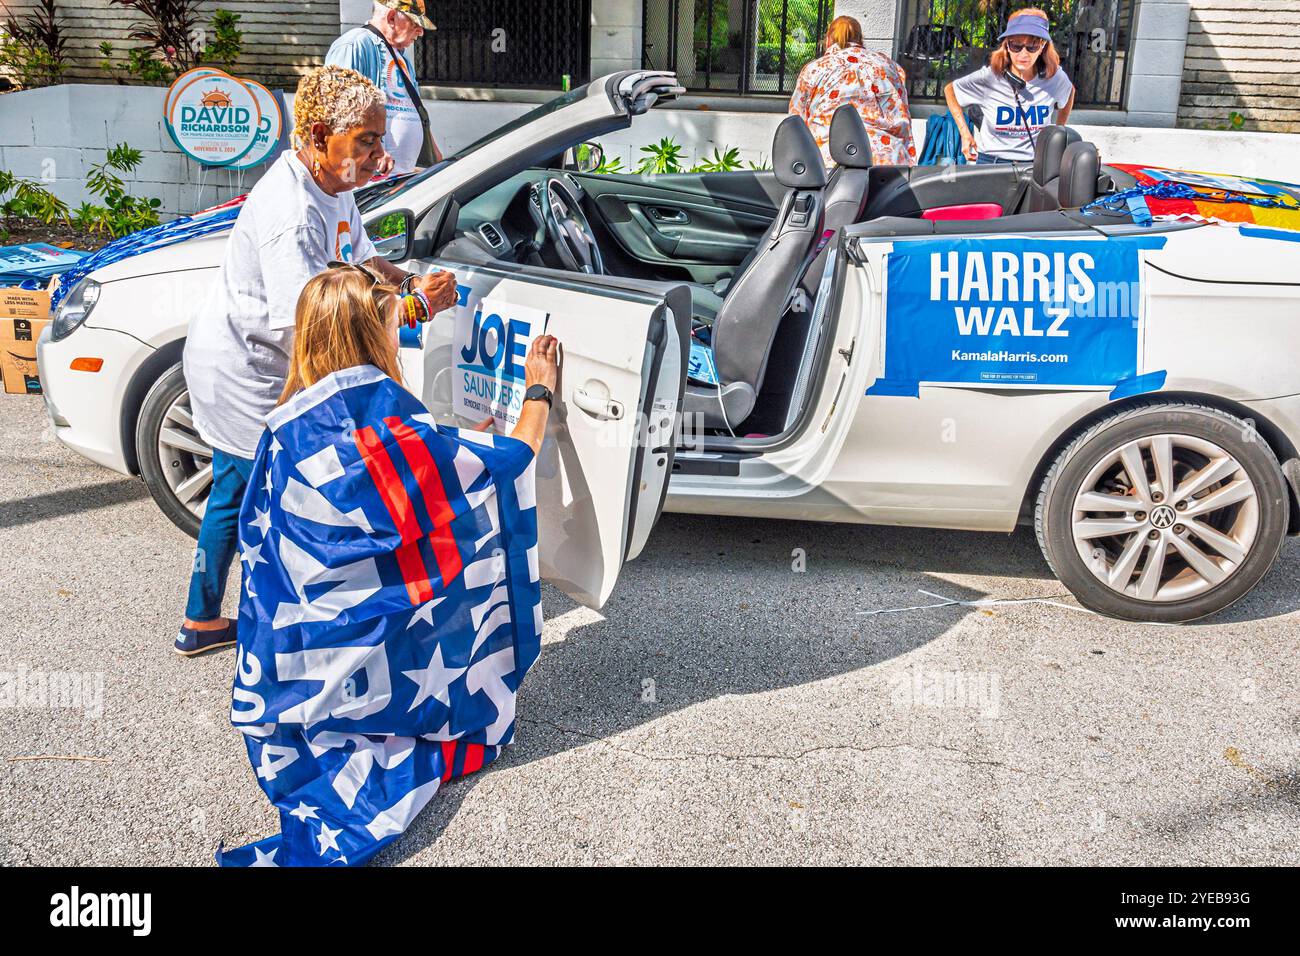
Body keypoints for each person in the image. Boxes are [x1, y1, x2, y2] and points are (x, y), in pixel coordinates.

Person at [217, 264, 559, 867]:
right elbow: (515, 455)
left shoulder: (291, 420)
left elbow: (385, 490)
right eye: (391, 322)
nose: (399, 330)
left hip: (292, 649)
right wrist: (539, 390)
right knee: (452, 580)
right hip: (350, 656)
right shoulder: (386, 432)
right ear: (370, 338)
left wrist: (447, 448)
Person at [175, 65, 459, 659]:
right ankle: (209, 618)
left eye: (379, 138)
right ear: (316, 133)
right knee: (240, 490)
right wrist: (411, 308)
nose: (379, 153)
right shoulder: (292, 212)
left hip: (277, 361)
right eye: (366, 140)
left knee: (268, 488)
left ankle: (252, 612)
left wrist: (406, 278)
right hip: (246, 369)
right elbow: (319, 322)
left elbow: (361, 257)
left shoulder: (335, 183)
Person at [943, 7, 1076, 164]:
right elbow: (950, 90)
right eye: (1016, 46)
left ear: (1042, 47)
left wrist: (1059, 130)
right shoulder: (989, 77)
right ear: (1006, 46)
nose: (1023, 54)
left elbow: (1070, 93)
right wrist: (965, 133)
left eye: (1032, 46)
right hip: (991, 163)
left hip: (1034, 164)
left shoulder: (1055, 78)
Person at [325, 0, 440, 178]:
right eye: (415, 23)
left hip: (399, 179)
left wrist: (435, 155)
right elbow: (336, 111)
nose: (420, 31)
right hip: (369, 182)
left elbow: (412, 109)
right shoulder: (354, 44)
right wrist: (369, 151)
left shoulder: (402, 58)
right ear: (392, 17)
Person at [789, 15, 916, 168]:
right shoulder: (889, 66)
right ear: (861, 40)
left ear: (828, 40)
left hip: (830, 162)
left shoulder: (815, 69)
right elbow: (903, 116)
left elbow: (796, 121)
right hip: (887, 160)